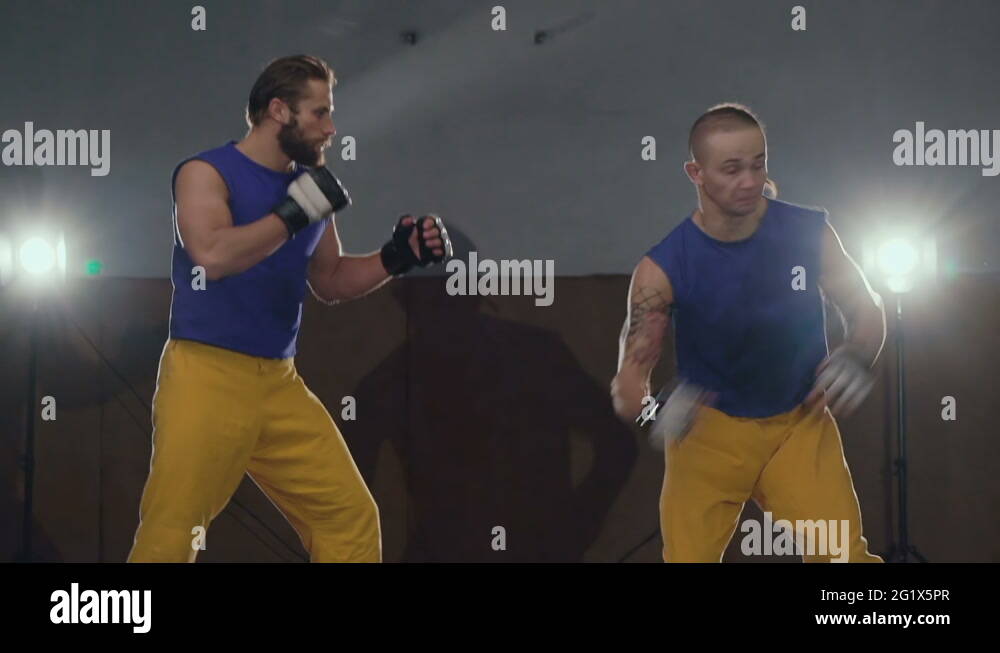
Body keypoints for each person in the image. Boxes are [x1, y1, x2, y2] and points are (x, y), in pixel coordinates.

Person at [128, 54, 452, 563]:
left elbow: (330, 279)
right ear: (279, 110)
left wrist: (397, 257)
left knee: (348, 518)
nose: (330, 127)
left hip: (278, 383)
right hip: (205, 374)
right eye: (319, 113)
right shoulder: (205, 172)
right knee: (175, 530)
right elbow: (212, 256)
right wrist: (295, 212)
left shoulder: (308, 187)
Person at [611, 103, 884, 563]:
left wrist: (857, 352)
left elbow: (866, 304)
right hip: (708, 436)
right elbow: (628, 383)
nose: (750, 181)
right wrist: (652, 415)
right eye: (732, 169)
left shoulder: (807, 232)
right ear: (695, 173)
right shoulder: (663, 267)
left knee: (845, 560)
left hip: (798, 425)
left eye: (758, 164)